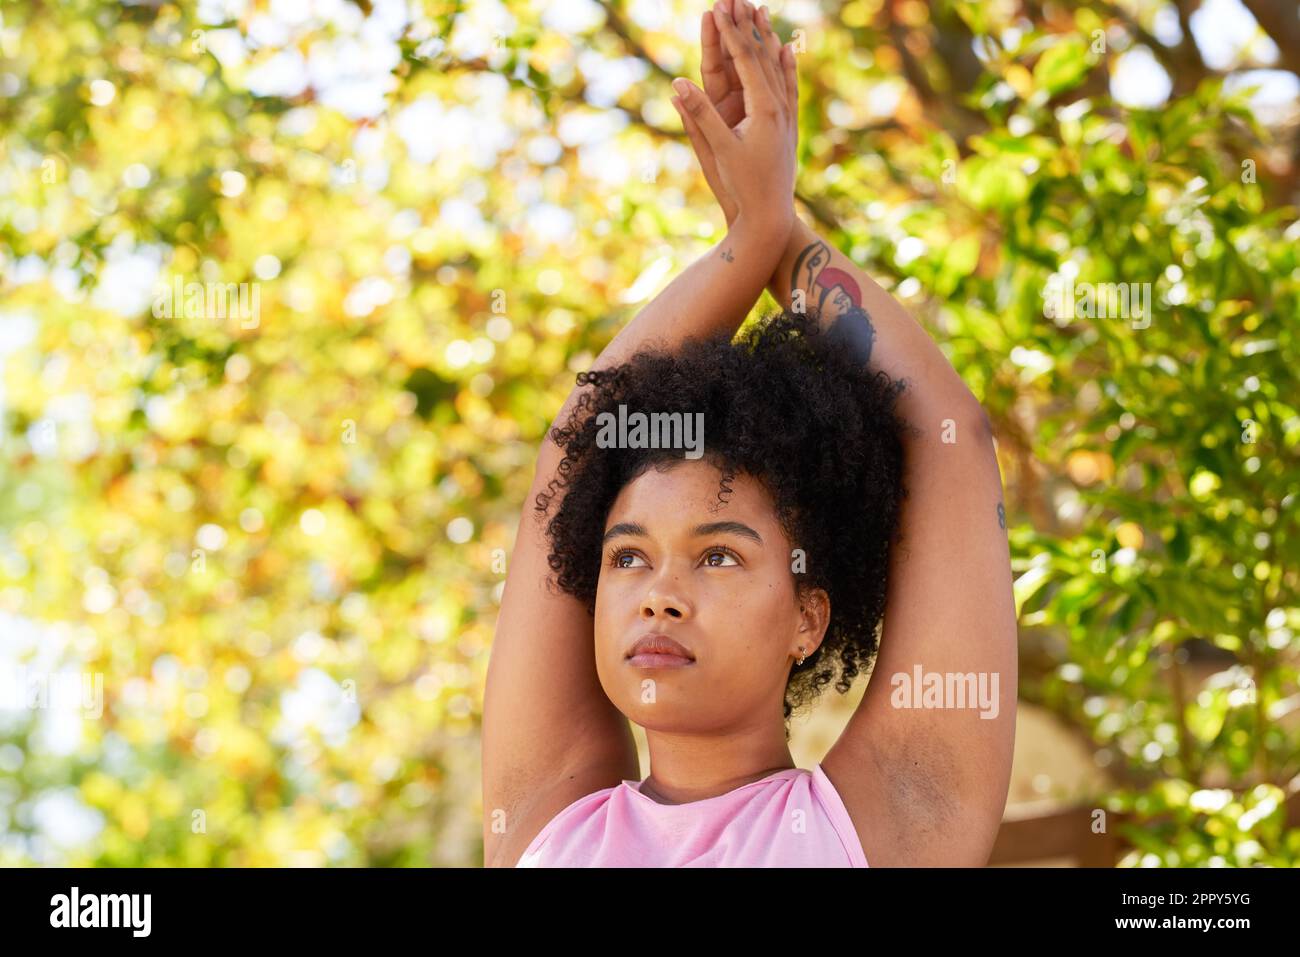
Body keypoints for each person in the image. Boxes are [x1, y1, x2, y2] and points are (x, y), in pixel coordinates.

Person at [482, 0, 1017, 867]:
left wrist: (778, 232)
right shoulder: (547, 829)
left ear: (809, 617)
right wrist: (751, 234)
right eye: (627, 555)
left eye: (720, 554)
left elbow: (945, 432)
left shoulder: (879, 830)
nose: (659, 593)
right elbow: (577, 449)